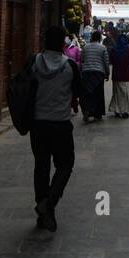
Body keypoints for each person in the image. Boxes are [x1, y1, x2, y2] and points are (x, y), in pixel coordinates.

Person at [29, 25, 80, 232]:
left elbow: (21, 88)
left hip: (38, 124)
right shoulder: (70, 66)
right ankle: (48, 203)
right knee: (65, 164)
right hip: (60, 123)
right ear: (62, 43)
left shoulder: (32, 63)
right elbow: (78, 92)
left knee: (41, 165)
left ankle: (43, 210)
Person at [80, 30, 109, 122]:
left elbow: (82, 60)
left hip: (86, 73)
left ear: (92, 37)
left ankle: (87, 111)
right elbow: (106, 62)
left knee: (88, 93)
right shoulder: (103, 47)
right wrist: (107, 73)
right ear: (100, 38)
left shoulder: (85, 47)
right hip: (98, 73)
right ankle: (97, 113)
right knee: (98, 94)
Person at [108, 31, 129, 118]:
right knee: (125, 93)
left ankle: (116, 109)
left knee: (116, 93)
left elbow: (111, 60)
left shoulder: (114, 50)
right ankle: (123, 111)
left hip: (116, 75)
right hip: (126, 74)